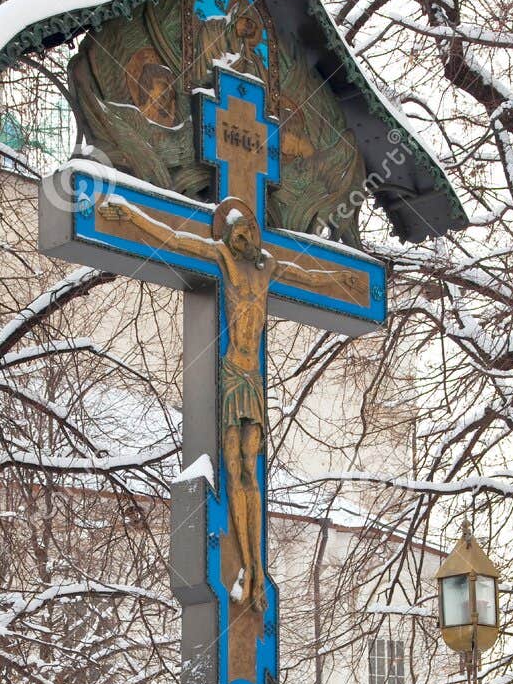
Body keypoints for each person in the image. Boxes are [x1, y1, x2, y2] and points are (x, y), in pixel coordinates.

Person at [99, 191, 364, 613]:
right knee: (234, 465)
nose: (247, 242)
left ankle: (255, 566)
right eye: (240, 235)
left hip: (254, 382)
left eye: (251, 235)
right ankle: (245, 563)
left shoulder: (268, 268)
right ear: (231, 237)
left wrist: (343, 279)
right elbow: (174, 240)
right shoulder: (220, 259)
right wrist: (130, 216)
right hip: (231, 374)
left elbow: (306, 275)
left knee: (251, 472)